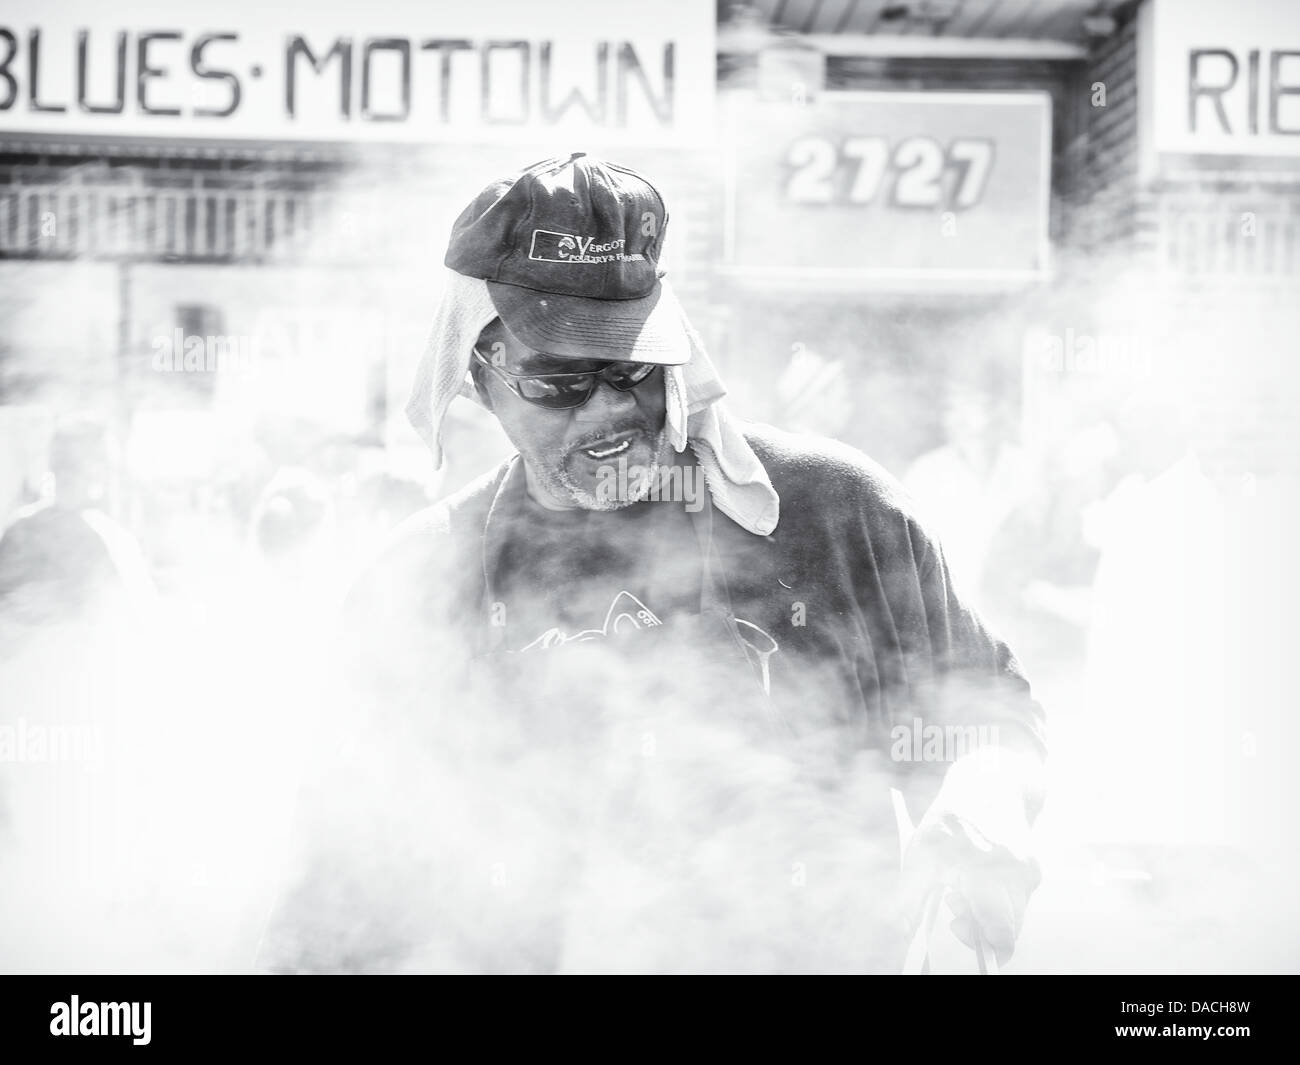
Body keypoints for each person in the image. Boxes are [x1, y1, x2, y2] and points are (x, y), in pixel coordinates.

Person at [258, 153, 1047, 974]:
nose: (609, 411)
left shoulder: (832, 513)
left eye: (633, 367)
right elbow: (335, 899)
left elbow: (989, 708)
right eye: (559, 382)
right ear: (475, 376)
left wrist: (982, 791)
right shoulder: (417, 587)